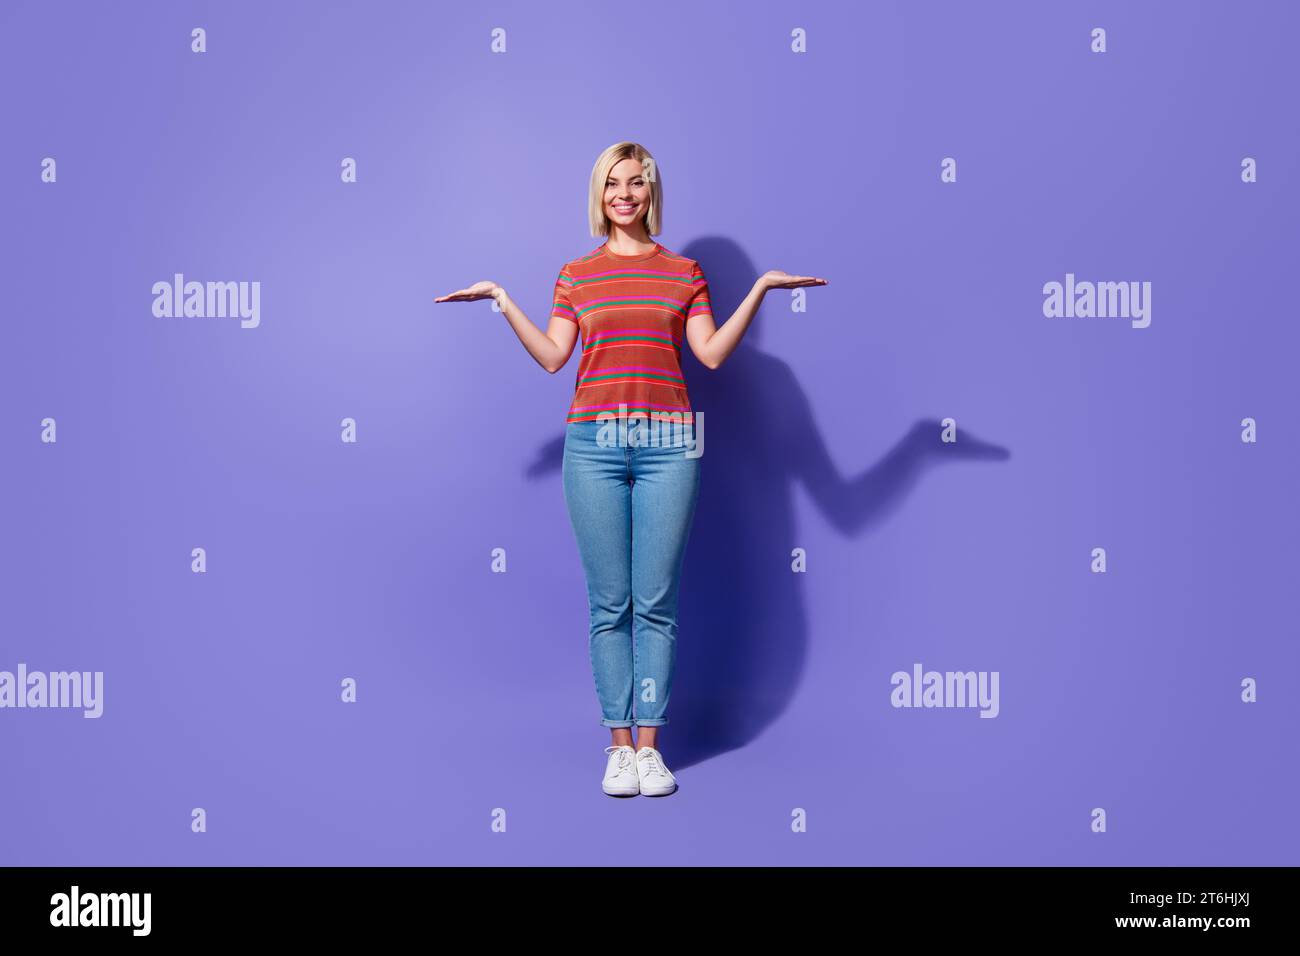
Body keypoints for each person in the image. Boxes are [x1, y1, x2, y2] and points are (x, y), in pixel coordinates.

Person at [436, 142, 826, 796]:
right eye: (613, 183)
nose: (625, 193)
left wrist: (759, 290)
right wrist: (503, 300)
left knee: (657, 604)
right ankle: (618, 748)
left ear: (651, 192)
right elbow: (556, 357)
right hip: (592, 447)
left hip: (670, 447)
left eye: (636, 182)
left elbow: (707, 355)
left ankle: (651, 750)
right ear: (600, 193)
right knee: (609, 603)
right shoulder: (576, 274)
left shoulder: (684, 272)